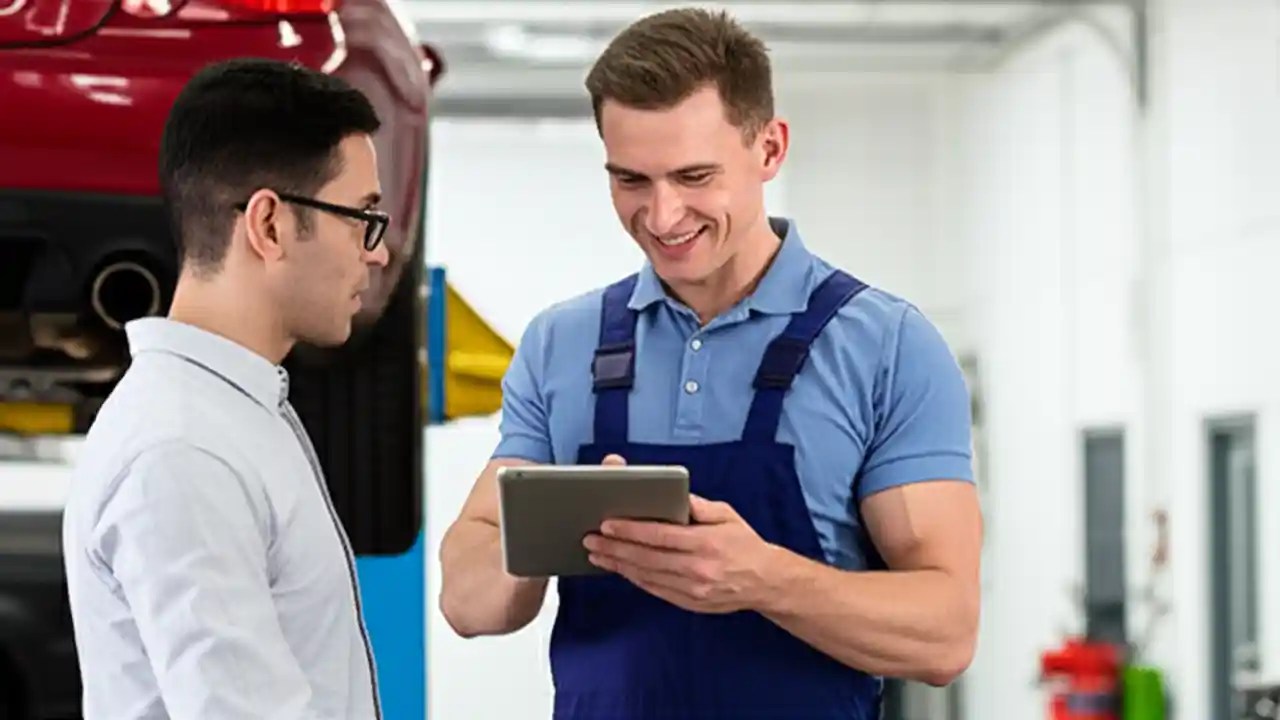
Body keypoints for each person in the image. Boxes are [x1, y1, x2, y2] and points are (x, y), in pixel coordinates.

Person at [438, 6, 984, 719]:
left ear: (770, 149)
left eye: (695, 176)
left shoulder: (887, 348)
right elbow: (466, 602)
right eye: (631, 180)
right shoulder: (561, 345)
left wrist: (762, 580)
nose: (662, 216)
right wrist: (550, 536)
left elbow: (945, 633)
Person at [61, 58, 390, 720]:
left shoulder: (227, 415)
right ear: (268, 225)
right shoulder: (184, 450)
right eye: (361, 218)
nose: (376, 253)